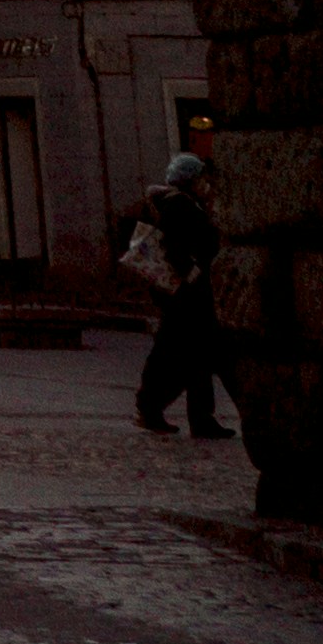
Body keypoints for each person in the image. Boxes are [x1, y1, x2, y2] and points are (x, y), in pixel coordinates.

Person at [132, 147, 230, 441]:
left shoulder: (182, 203)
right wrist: (191, 271)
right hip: (185, 293)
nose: (206, 183)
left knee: (188, 354)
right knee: (187, 353)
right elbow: (174, 245)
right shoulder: (179, 205)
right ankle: (162, 410)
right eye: (201, 177)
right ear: (190, 179)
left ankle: (183, 414)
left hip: (181, 293)